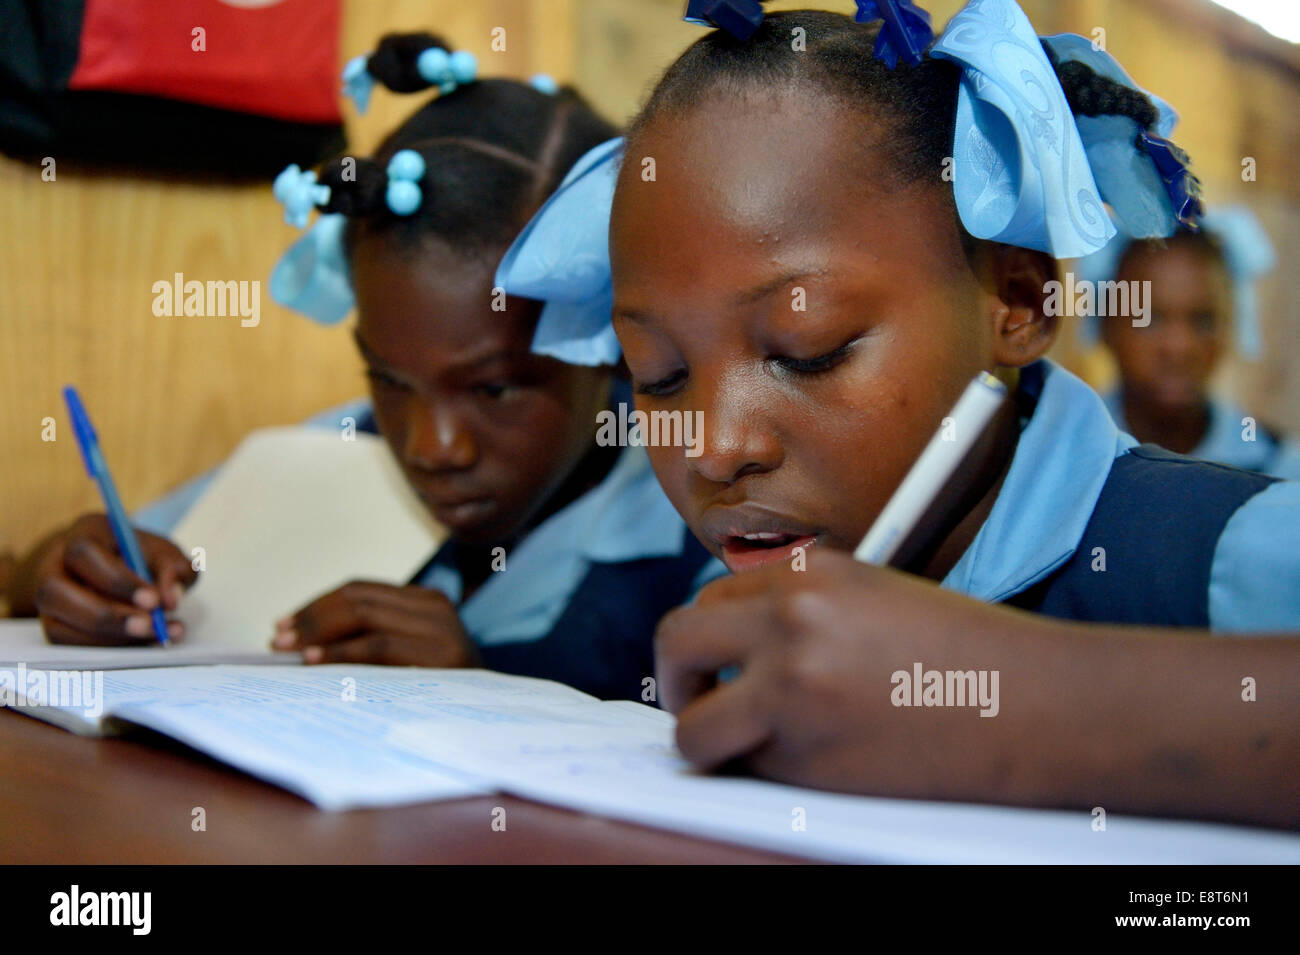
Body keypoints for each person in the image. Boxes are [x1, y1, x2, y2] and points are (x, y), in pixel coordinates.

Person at [498, 2, 1300, 826]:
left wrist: (998, 702)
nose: (712, 448)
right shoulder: (716, 599)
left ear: (1017, 303)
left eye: (809, 349)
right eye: (659, 376)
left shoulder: (1224, 553)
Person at [7, 33, 721, 703]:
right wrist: (63, 570)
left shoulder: (707, 512)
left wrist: (477, 687)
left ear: (614, 344)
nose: (431, 447)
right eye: (389, 380)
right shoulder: (337, 451)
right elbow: (39, 565)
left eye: (495, 387)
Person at [1080, 208, 1300, 478]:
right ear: (1104, 323)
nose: (1179, 347)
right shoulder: (1061, 457)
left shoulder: (1278, 472)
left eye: (1204, 321)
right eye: (1148, 318)